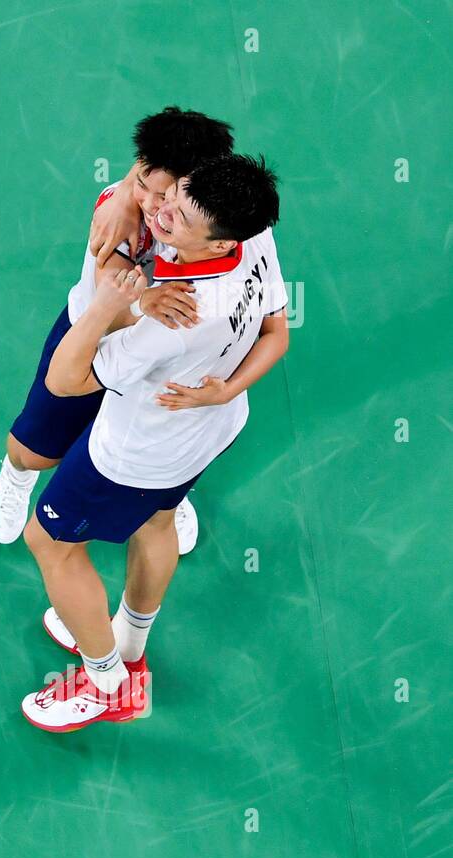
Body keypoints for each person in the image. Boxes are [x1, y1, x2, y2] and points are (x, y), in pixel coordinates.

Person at [19, 154, 288, 732]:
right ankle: (130, 645)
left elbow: (66, 381)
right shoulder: (254, 234)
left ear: (215, 243)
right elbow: (276, 331)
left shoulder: (175, 316)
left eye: (176, 219)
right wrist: (228, 390)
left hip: (133, 454)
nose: (159, 211)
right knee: (157, 522)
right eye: (171, 196)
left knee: (49, 542)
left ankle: (107, 681)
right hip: (208, 426)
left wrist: (109, 306)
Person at [0, 107, 235, 554]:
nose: (150, 203)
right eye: (141, 183)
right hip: (91, 343)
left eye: (165, 196)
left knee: (163, 447)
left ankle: (166, 504)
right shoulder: (118, 210)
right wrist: (143, 300)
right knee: (37, 451)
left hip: (156, 363)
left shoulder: (215, 219)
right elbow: (110, 286)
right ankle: (14, 475)